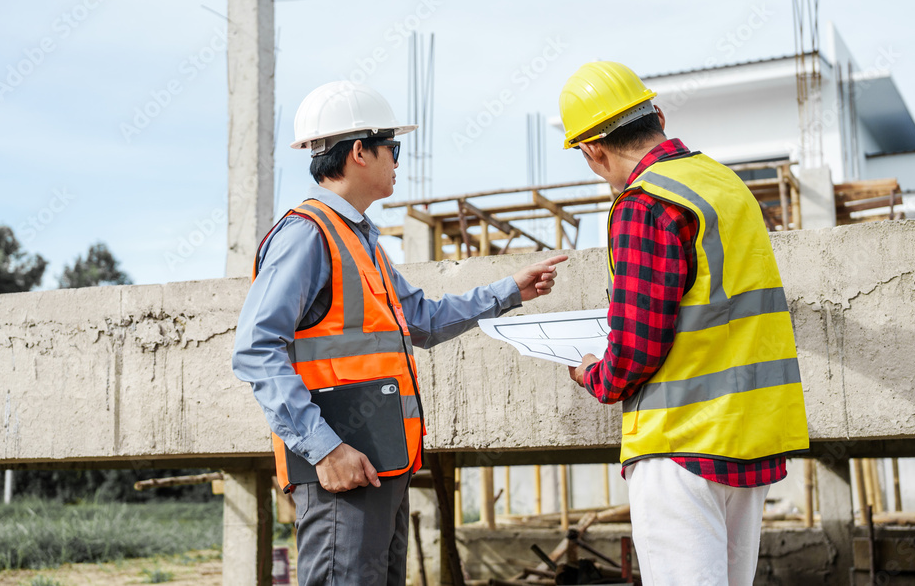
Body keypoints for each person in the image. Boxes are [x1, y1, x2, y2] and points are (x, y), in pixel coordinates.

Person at [232, 80, 567, 586]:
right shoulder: (307, 235)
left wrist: (510, 291)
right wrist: (324, 449)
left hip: (381, 465)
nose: (397, 160)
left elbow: (423, 320)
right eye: (393, 148)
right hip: (341, 469)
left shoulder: (361, 241)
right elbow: (256, 350)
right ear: (359, 151)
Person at [558, 62, 809, 585]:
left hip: (680, 444)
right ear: (658, 116)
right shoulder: (725, 184)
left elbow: (637, 344)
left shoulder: (644, 202)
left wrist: (595, 376)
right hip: (750, 436)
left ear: (593, 151)